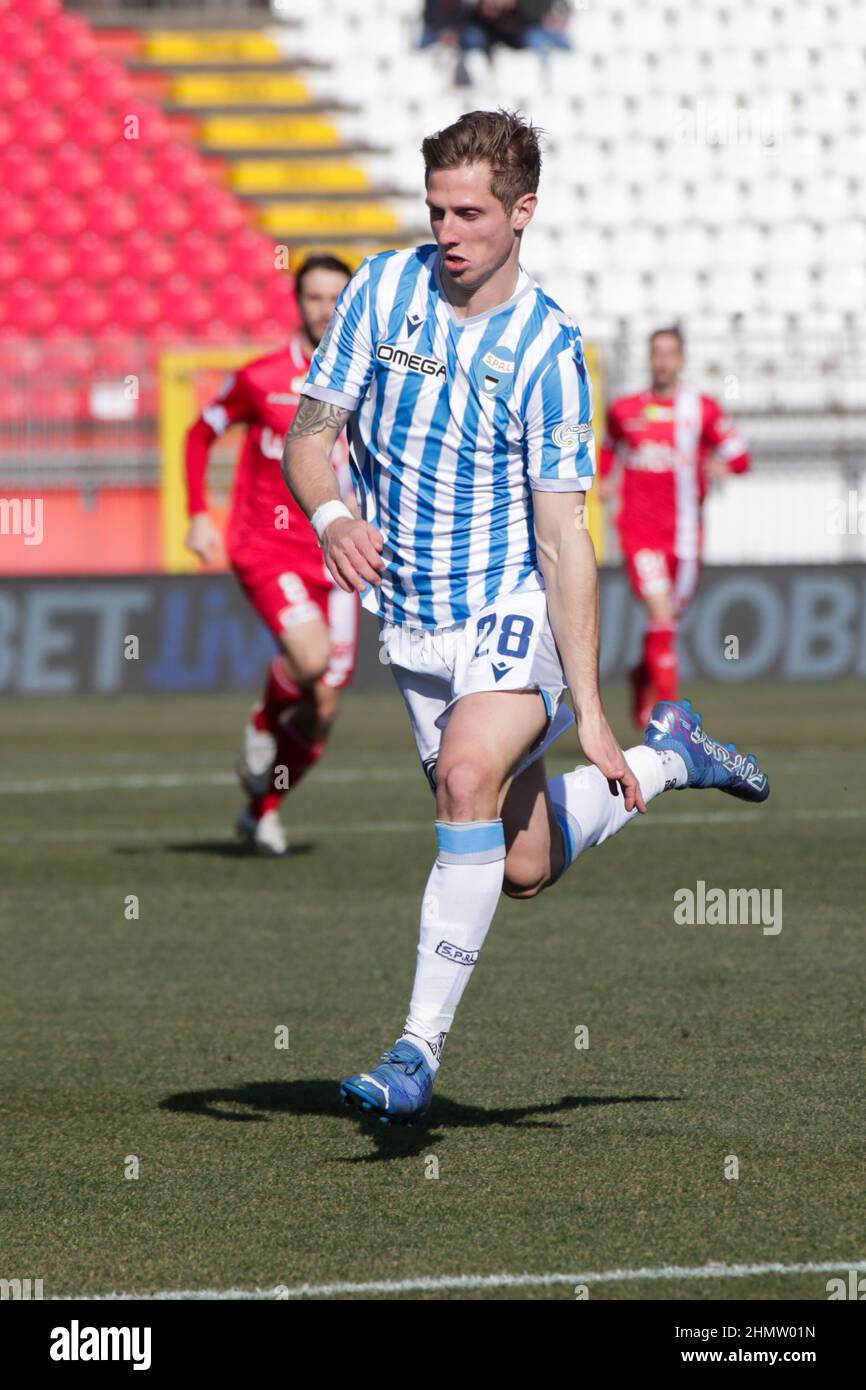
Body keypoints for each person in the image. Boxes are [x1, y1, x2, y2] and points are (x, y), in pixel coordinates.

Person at [282, 111, 769, 1123]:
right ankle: (672, 757)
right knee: (523, 864)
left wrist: (586, 703)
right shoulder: (380, 292)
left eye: (468, 212)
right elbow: (308, 436)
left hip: (507, 604)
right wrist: (330, 513)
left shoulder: (549, 350)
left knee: (466, 774)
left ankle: (414, 1051)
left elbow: (562, 539)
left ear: (521, 213)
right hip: (411, 623)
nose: (447, 230)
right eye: (435, 210)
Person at [184, 254, 357, 857]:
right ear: (297, 302)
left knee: (325, 709)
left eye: (337, 297)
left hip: (339, 558)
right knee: (309, 660)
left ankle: (261, 811)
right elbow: (200, 431)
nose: (325, 309)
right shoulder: (261, 378)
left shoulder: (369, 381)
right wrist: (198, 514)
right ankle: (262, 722)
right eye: (314, 297)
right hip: (267, 547)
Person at [599, 327, 751, 727]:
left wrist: (720, 466)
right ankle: (672, 716)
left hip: (685, 536)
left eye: (670, 353)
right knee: (662, 613)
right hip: (639, 532)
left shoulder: (702, 409)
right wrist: (606, 479)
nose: (663, 361)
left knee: (666, 622)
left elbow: (739, 456)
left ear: (682, 359)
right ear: (649, 359)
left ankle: (640, 676)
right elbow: (608, 447)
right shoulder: (625, 409)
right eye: (656, 353)